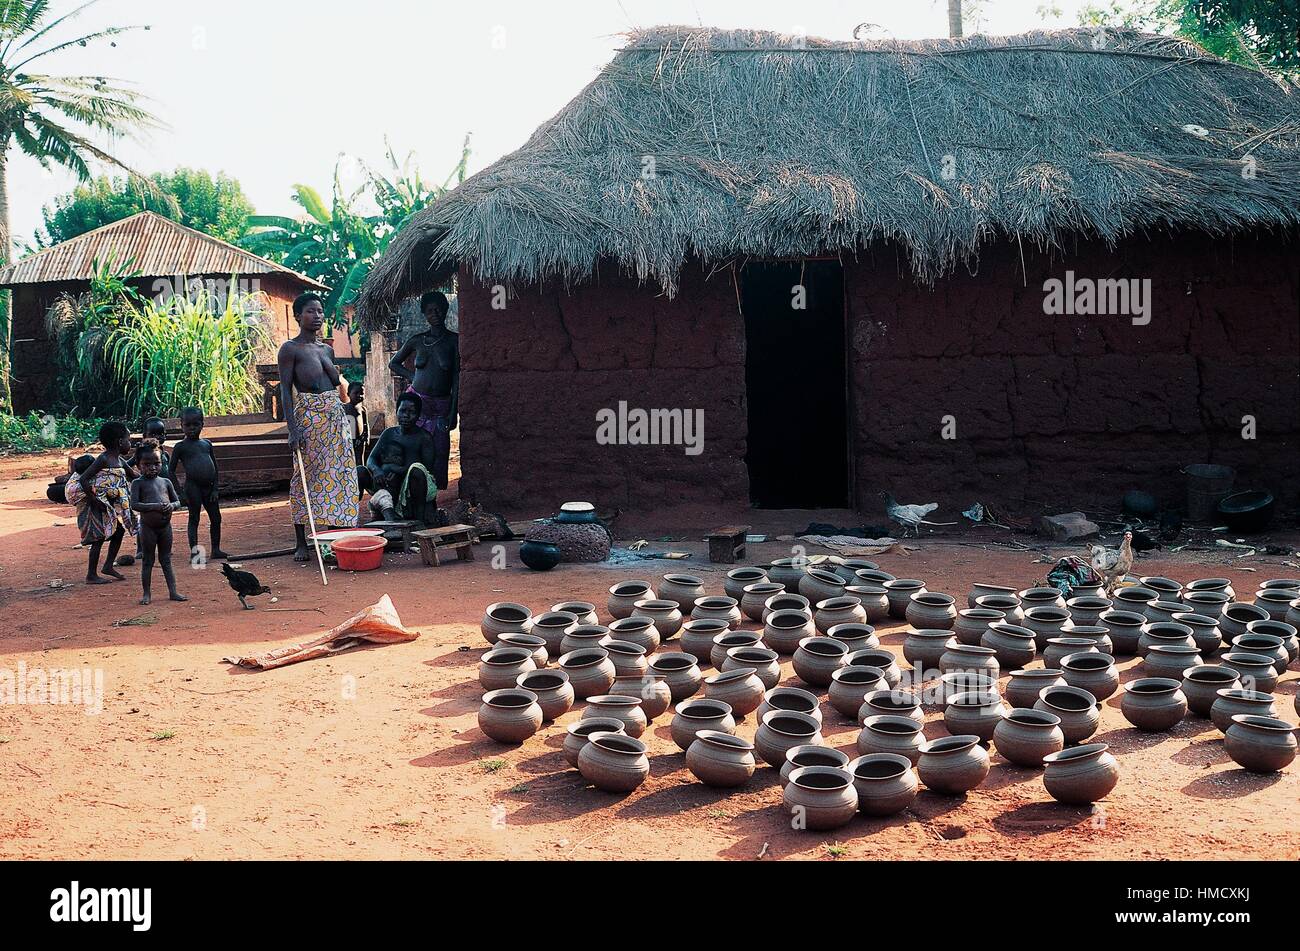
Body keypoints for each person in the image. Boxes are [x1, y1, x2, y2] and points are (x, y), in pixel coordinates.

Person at [279, 292, 360, 561]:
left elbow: (337, 385)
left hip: (334, 419)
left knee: (336, 476)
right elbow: (285, 391)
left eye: (320, 311)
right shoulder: (290, 349)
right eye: (311, 311)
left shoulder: (326, 349)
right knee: (306, 477)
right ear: (298, 316)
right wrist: (293, 429)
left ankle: (332, 539)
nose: (317, 316)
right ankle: (301, 542)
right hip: (308, 418)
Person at [388, 290, 458, 491]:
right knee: (412, 445)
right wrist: (414, 377)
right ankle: (410, 492)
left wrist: (453, 413)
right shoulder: (417, 340)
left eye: (438, 309)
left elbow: (456, 378)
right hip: (416, 402)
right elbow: (394, 363)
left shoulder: (453, 341)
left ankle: (432, 496)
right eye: (429, 311)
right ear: (424, 314)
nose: (434, 314)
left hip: (441, 404)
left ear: (445, 310)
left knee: (439, 449)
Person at [73, 421, 139, 584]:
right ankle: (91, 575)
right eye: (128, 440)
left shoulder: (119, 461)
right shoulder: (103, 459)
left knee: (118, 532)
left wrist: (154, 477)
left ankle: (108, 566)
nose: (130, 444)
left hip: (107, 506)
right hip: (97, 506)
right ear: (119, 441)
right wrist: (94, 499)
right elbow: (84, 478)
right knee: (98, 539)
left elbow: (134, 476)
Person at [363, 392, 438, 524]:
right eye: (402, 410)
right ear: (397, 410)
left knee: (416, 470)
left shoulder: (424, 438)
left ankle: (419, 521)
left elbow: (426, 472)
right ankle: (348, 521)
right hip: (386, 482)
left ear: (418, 415)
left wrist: (395, 469)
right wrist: (377, 470)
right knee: (360, 472)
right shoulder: (389, 433)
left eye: (412, 412)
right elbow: (371, 459)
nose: (406, 416)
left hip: (410, 487)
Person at [129, 439, 187, 605]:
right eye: (147, 464)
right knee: (148, 561)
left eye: (157, 463)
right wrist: (154, 506)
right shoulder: (137, 483)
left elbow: (178, 502)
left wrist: (171, 506)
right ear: (138, 465)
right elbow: (135, 505)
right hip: (148, 528)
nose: (152, 467)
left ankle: (173, 591)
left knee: (166, 560)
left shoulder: (165, 482)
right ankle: (147, 594)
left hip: (165, 527)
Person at [171, 407, 227, 560]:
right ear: (181, 425)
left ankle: (216, 550)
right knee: (194, 519)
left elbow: (215, 467)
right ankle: (195, 553)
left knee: (216, 518)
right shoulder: (180, 447)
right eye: (187, 425)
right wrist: (179, 493)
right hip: (192, 487)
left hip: (209, 488)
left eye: (195, 424)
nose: (191, 428)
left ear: (202, 424)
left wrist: (215, 488)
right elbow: (171, 471)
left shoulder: (206, 444)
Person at [120, 417, 173, 566]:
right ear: (144, 435)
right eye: (153, 434)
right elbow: (126, 464)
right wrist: (135, 476)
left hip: (162, 491)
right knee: (144, 521)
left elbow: (169, 473)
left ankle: (163, 545)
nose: (158, 437)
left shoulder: (164, 453)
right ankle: (141, 548)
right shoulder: (141, 454)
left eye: (161, 434)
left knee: (164, 519)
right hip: (147, 492)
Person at [342, 379, 369, 466]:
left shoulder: (363, 410)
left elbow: (366, 424)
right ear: (348, 394)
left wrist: (366, 437)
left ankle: (361, 473)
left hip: (360, 440)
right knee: (348, 460)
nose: (359, 395)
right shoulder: (344, 409)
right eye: (356, 393)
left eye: (362, 393)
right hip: (348, 440)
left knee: (360, 458)